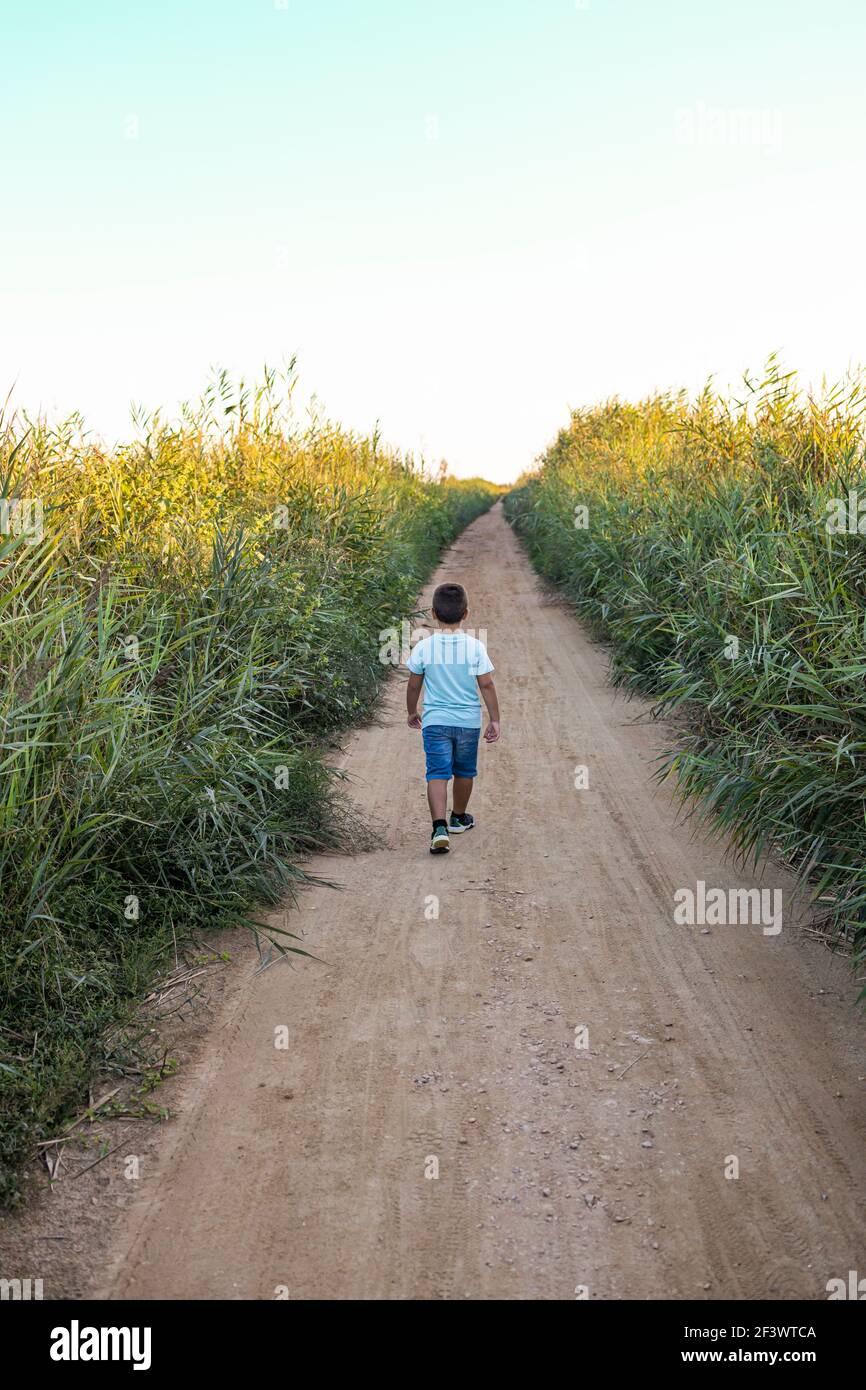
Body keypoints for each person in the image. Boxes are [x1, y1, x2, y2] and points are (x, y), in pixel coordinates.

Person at [406, 582, 500, 854]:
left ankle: (438, 828)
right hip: (468, 723)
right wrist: (495, 719)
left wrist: (412, 711)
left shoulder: (424, 647)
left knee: (437, 773)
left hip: (435, 722)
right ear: (466, 613)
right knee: (464, 771)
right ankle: (458, 817)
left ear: (433, 613)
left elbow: (414, 685)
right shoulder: (474, 647)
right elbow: (487, 685)